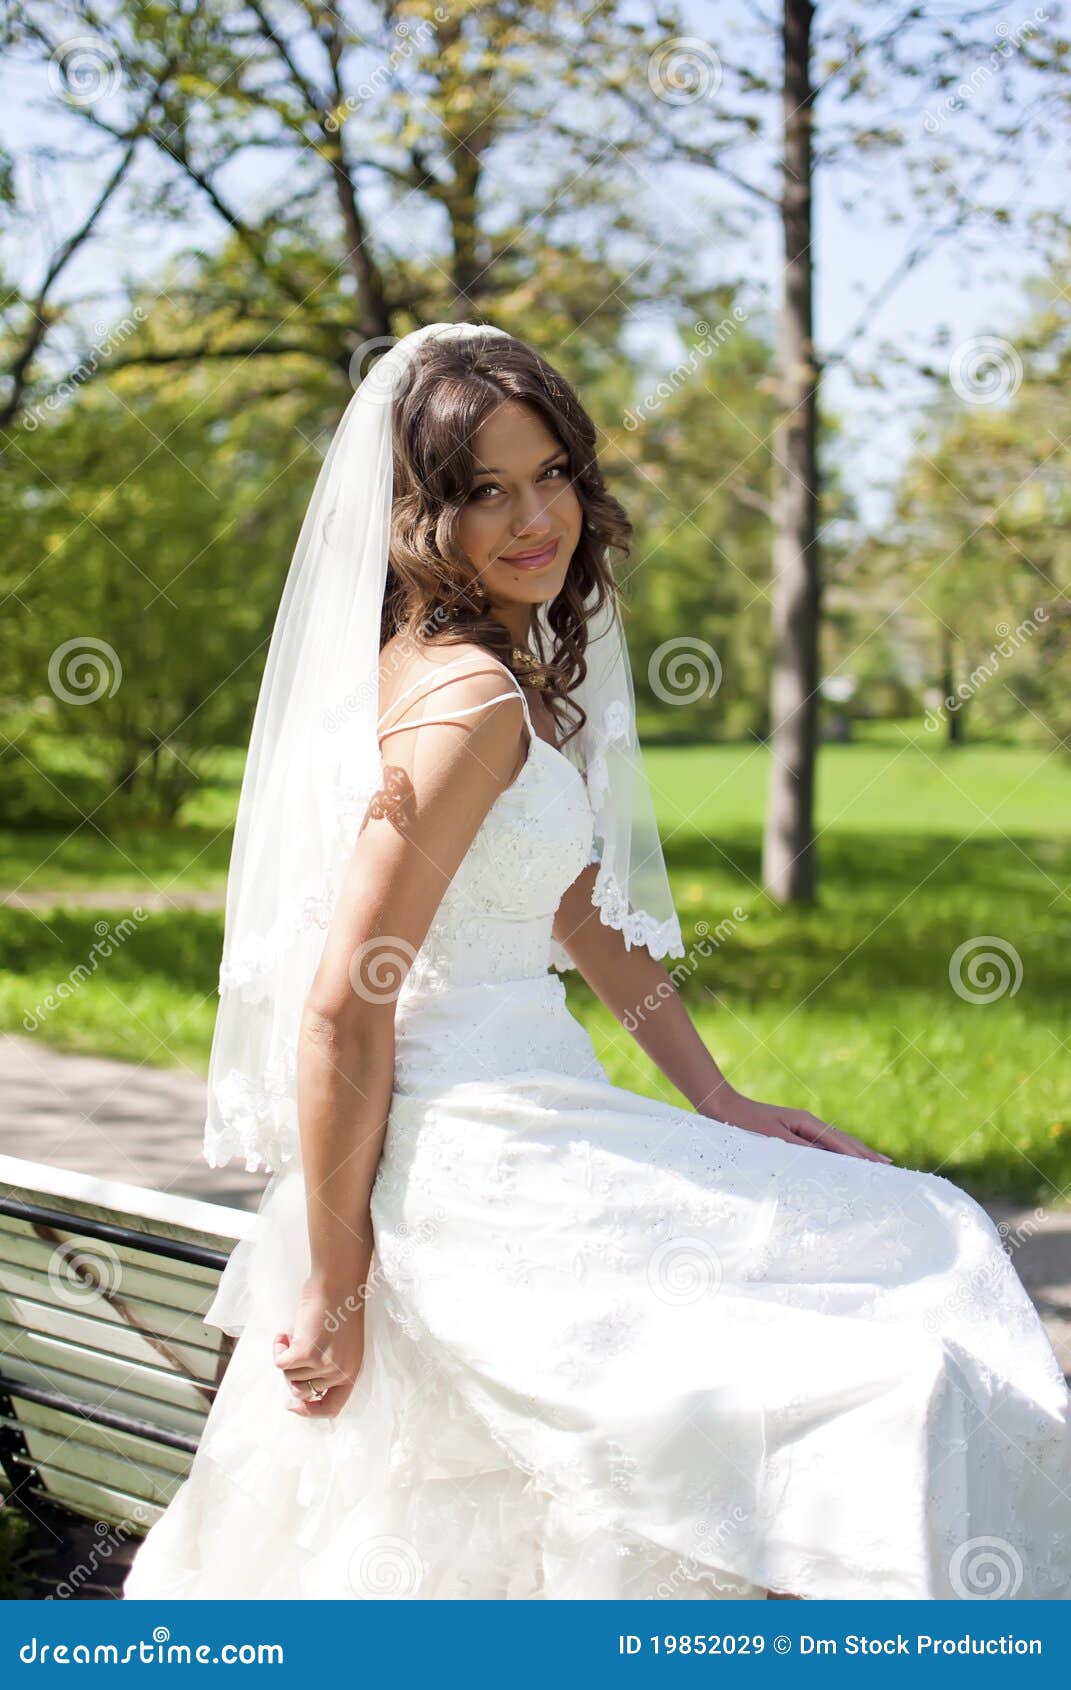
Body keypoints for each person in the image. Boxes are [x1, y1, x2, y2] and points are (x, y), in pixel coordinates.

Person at [123, 323, 1071, 1602]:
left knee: (915, 1238)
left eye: (553, 472)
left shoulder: (444, 671)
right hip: (474, 1144)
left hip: (533, 1108)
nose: (536, 518)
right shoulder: (468, 706)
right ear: (417, 513)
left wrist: (718, 1098)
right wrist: (341, 1287)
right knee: (910, 1319)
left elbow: (581, 912)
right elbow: (347, 1002)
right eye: (483, 489)